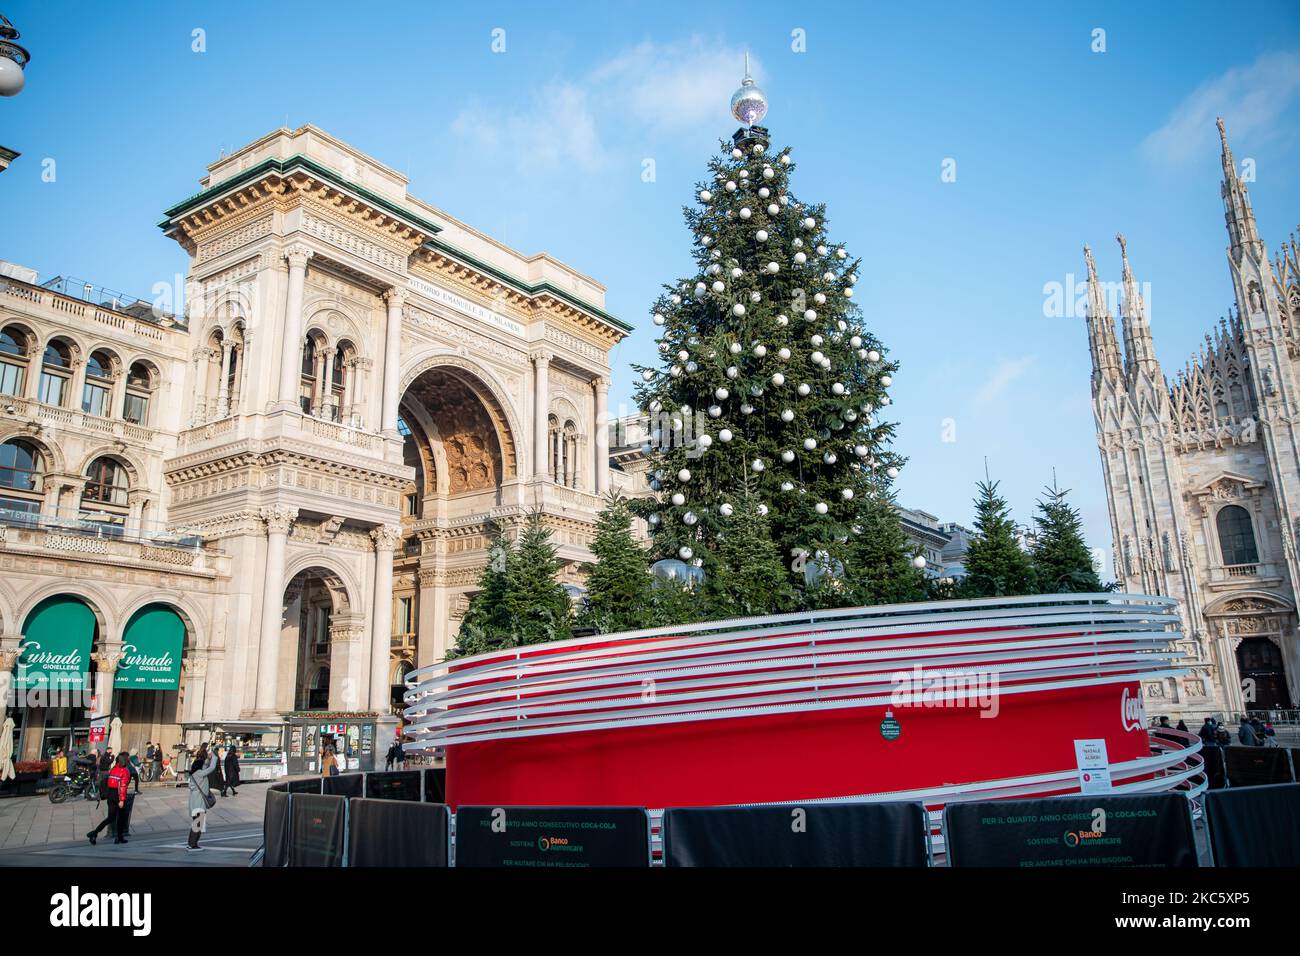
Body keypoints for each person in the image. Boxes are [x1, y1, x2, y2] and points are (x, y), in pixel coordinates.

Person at [86, 754, 133, 846]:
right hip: (118, 795)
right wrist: (122, 800)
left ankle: (94, 833)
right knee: (121, 817)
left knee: (110, 818)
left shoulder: (113, 770)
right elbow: (123, 786)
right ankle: (119, 838)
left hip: (110, 795)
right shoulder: (125, 771)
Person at [186, 743, 218, 852]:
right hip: (199, 802)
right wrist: (214, 756)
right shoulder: (200, 774)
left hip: (194, 801)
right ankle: (192, 845)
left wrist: (205, 754)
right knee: (198, 824)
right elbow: (212, 767)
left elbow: (206, 764)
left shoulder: (195, 773)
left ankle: (191, 843)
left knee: (196, 823)